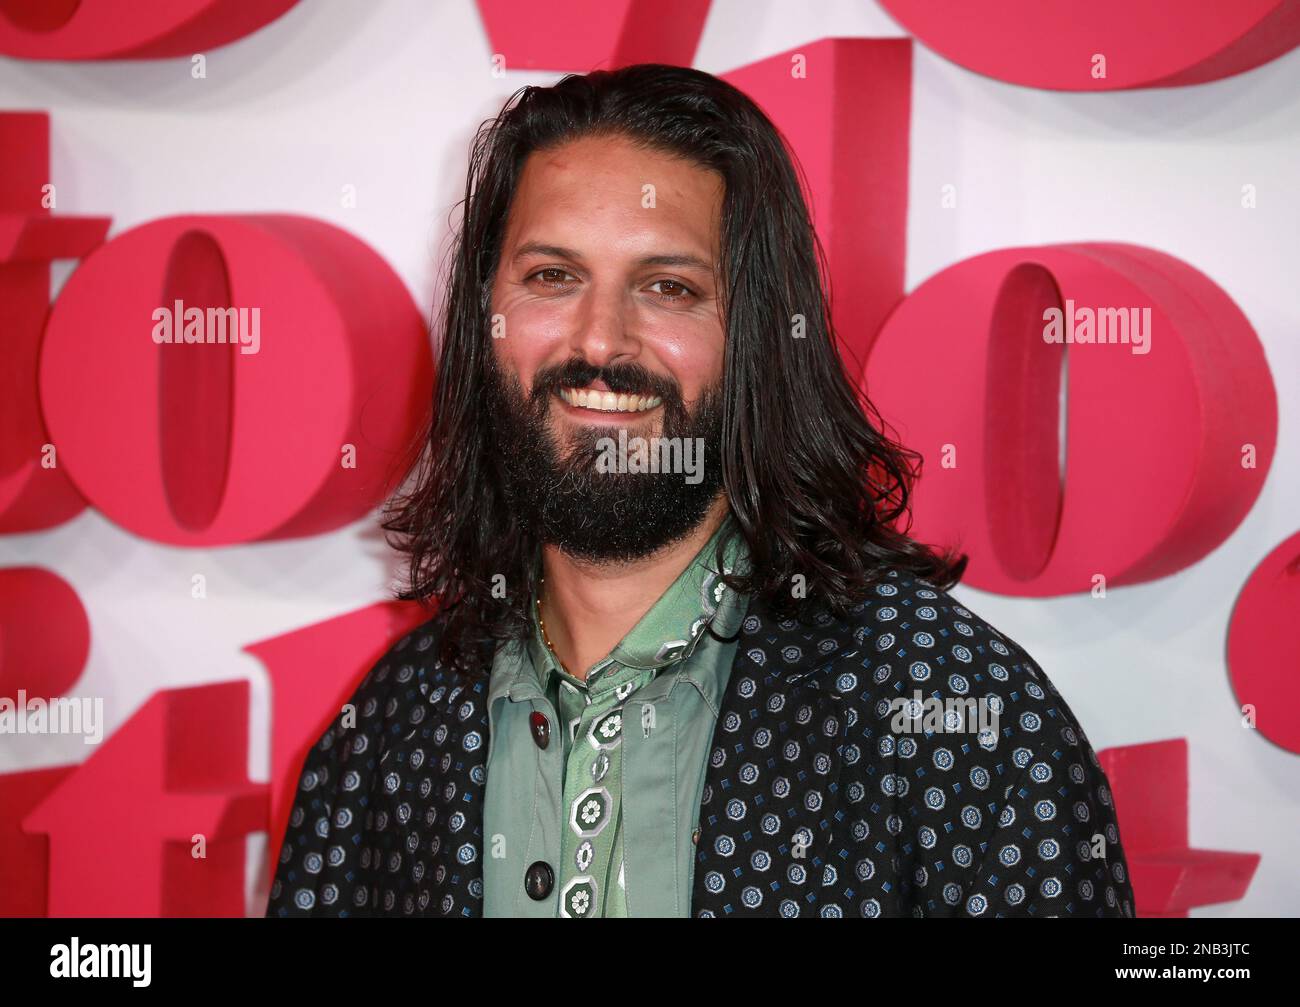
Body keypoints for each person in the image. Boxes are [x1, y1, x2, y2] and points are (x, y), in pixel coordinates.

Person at [266, 63, 1135, 919]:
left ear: (757, 338)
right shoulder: (393, 725)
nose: (600, 341)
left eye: (668, 288)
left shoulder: (952, 715)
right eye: (552, 277)